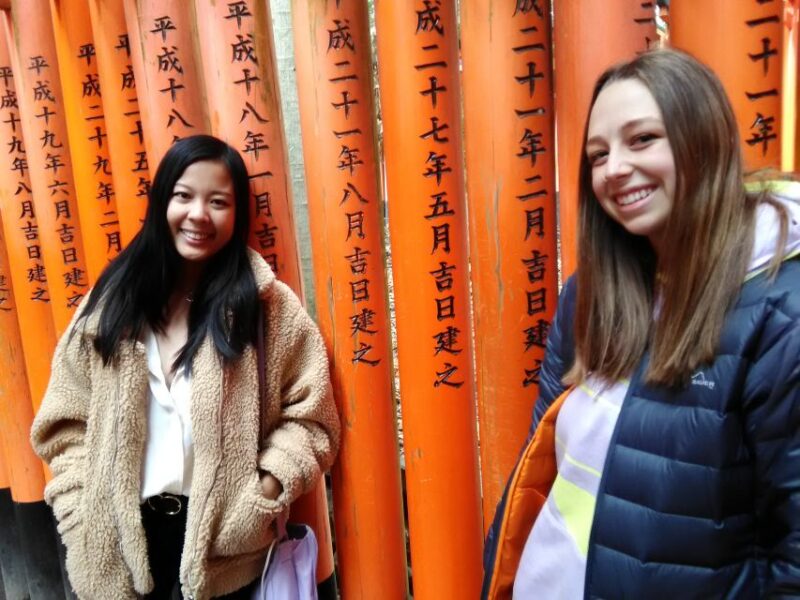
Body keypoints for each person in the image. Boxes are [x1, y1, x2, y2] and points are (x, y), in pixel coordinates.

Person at [482, 49, 800, 598]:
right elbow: (545, 459)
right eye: (598, 154)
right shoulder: (591, 292)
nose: (615, 168)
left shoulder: (776, 314)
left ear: (704, 137)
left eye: (643, 139)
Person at [31, 135, 340, 600]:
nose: (198, 214)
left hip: (226, 550)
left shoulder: (266, 306)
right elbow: (64, 423)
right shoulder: (112, 303)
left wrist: (263, 490)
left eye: (218, 201)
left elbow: (313, 418)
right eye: (183, 196)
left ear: (237, 216)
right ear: (161, 203)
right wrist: (80, 513)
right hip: (119, 547)